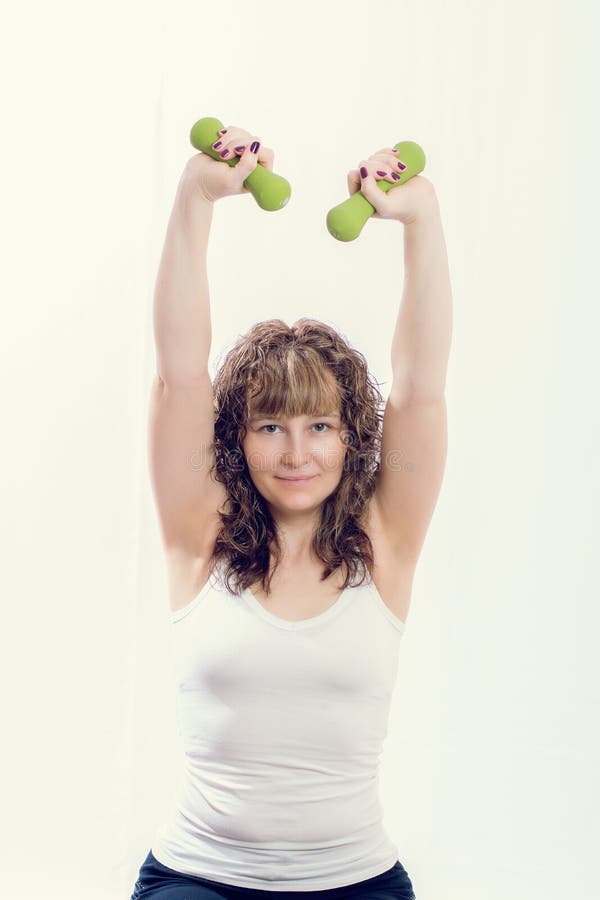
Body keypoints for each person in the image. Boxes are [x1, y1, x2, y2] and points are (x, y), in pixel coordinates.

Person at [130, 123, 452, 899]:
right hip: (200, 878)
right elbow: (179, 374)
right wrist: (197, 194)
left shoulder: (386, 543)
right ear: (237, 437)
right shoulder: (197, 536)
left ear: (351, 437)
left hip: (357, 881)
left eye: (320, 426)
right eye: (270, 425)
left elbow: (422, 387)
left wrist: (422, 216)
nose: (296, 452)